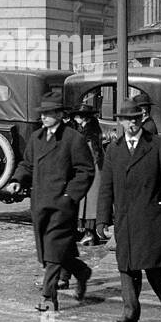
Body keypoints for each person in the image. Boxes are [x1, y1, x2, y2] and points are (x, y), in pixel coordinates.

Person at [9, 90, 95, 312]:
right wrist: (18, 179)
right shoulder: (37, 138)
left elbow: (85, 171)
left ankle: (49, 298)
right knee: (51, 250)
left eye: (48, 113)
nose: (43, 117)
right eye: (42, 113)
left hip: (62, 206)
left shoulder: (73, 139)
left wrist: (70, 197)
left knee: (53, 251)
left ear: (59, 114)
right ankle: (81, 271)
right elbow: (27, 164)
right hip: (39, 204)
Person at [97, 102, 161, 322]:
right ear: (121, 122)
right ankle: (130, 312)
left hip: (151, 218)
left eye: (135, 118)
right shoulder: (113, 150)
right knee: (126, 268)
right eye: (127, 119)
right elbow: (106, 187)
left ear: (141, 119)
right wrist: (102, 219)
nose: (132, 123)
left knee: (154, 270)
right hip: (125, 219)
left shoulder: (157, 145)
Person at [72, 102, 106, 247]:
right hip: (95, 171)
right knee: (89, 204)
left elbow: (87, 155)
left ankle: (89, 234)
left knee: (87, 205)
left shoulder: (86, 135)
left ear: (83, 118)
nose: (75, 119)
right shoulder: (93, 131)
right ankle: (90, 234)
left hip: (90, 172)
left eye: (78, 116)